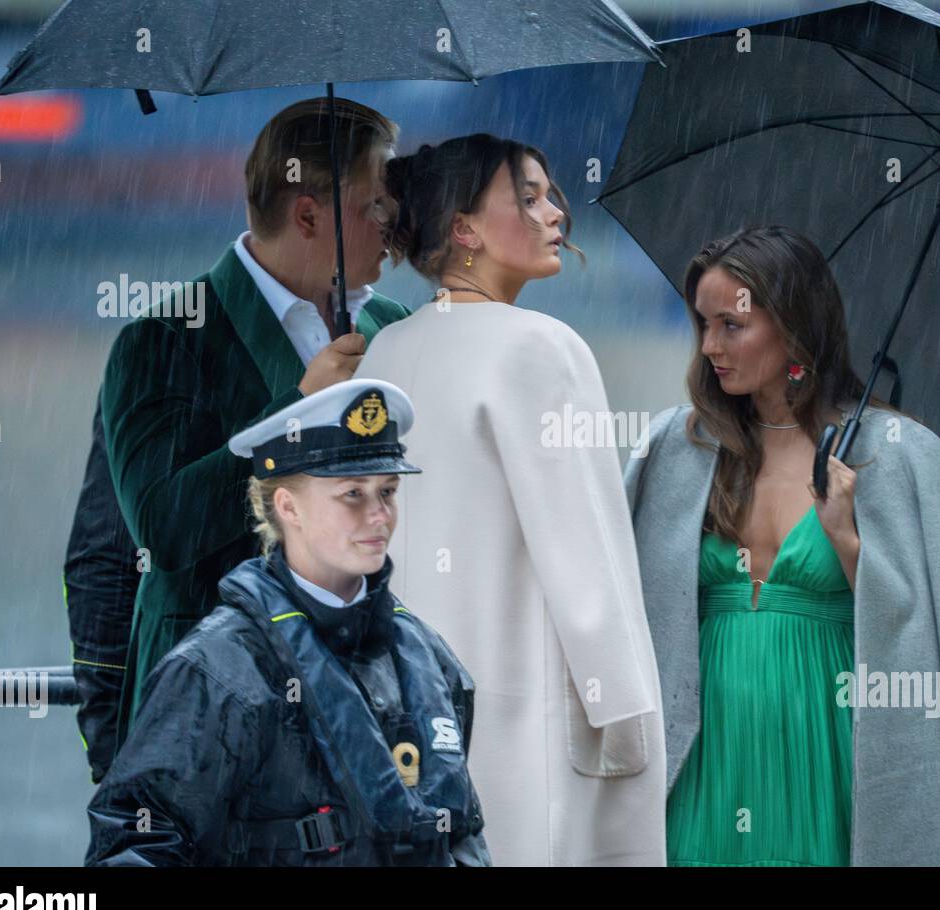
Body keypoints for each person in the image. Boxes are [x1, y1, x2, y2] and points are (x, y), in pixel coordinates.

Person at [624, 225, 940, 866]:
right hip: (698, 751)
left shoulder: (900, 454)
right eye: (703, 324)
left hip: (830, 745)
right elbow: (622, 602)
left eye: (733, 325)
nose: (711, 346)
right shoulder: (677, 445)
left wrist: (847, 539)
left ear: (794, 328)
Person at [70, 97, 413, 768]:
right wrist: (299, 405)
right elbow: (162, 531)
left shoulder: (396, 327)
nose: (390, 223)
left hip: (367, 722)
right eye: (374, 204)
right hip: (213, 721)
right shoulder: (163, 338)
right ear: (309, 215)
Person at [353, 134, 666, 866]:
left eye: (550, 193)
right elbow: (590, 569)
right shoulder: (541, 347)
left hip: (407, 723)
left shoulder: (383, 353)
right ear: (464, 228)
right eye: (528, 197)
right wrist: (629, 733)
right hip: (529, 728)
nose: (556, 211)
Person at [86, 379, 489, 866]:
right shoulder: (216, 672)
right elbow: (136, 843)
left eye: (388, 491)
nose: (379, 514)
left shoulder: (431, 660)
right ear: (287, 506)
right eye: (352, 494)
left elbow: (462, 834)